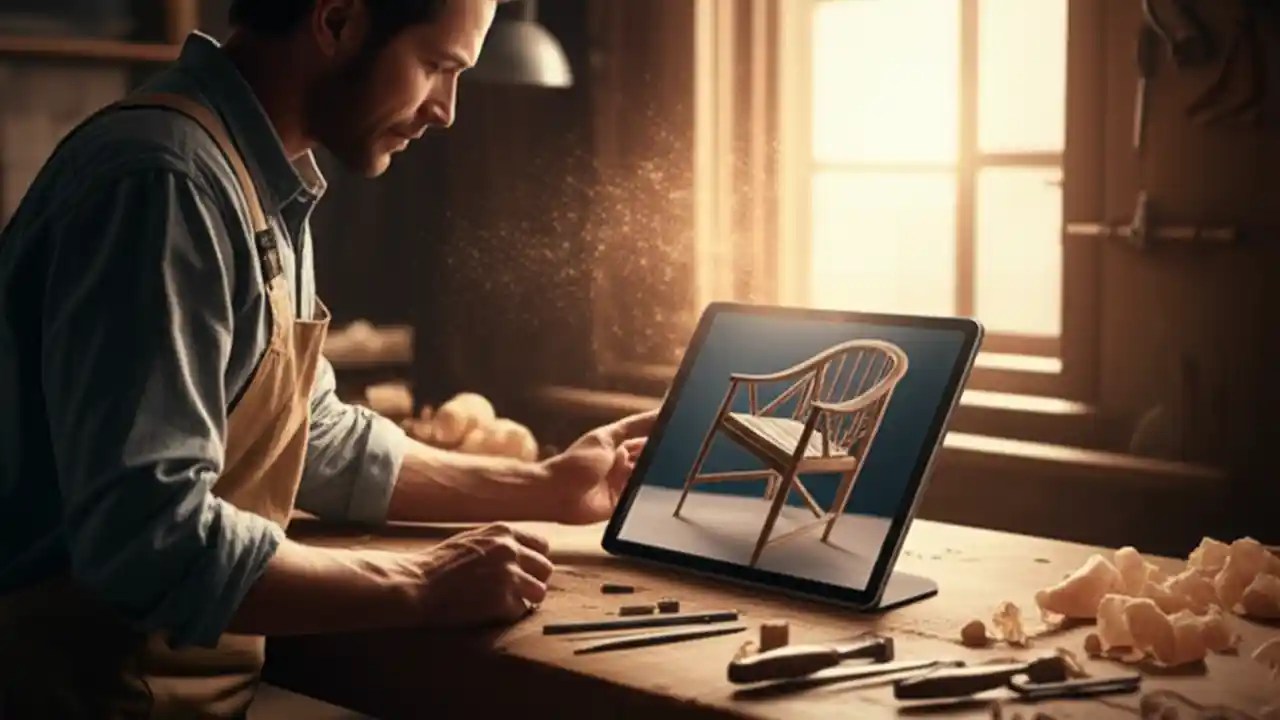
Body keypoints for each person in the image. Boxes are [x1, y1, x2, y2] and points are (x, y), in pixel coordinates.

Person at [0, 0, 656, 716]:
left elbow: (314, 434)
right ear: (337, 22)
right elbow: (151, 540)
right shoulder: (167, 183)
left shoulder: (256, 176)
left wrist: (547, 487)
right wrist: (423, 586)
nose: (446, 111)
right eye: (436, 66)